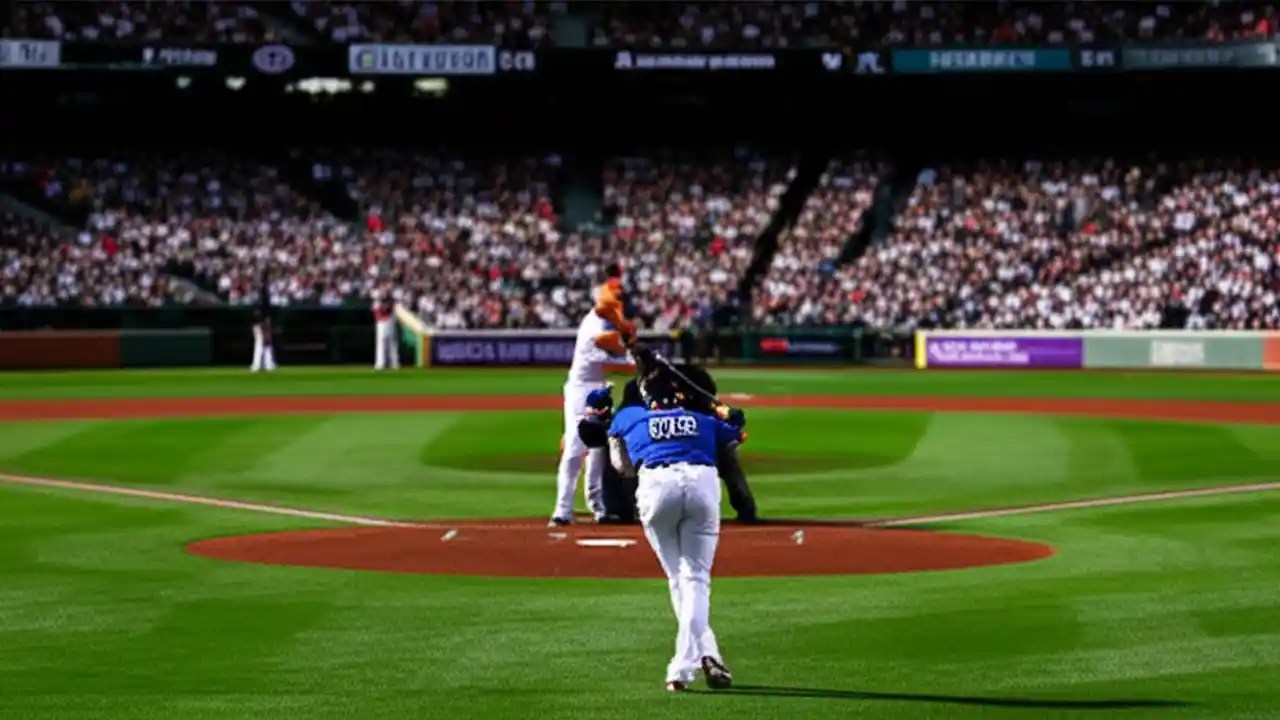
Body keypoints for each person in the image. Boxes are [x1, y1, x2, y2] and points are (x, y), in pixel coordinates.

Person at [605, 373, 743, 692]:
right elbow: (735, 436)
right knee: (694, 579)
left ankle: (689, 662)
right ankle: (697, 659)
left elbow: (622, 467)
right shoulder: (703, 419)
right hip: (701, 485)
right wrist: (733, 417)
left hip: (656, 486)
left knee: (677, 579)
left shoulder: (631, 418)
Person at [549, 264, 636, 526]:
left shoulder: (609, 321)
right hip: (580, 389)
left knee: (599, 449)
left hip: (597, 387)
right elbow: (615, 359)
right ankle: (562, 510)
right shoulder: (595, 324)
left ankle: (598, 507)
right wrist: (633, 354)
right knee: (576, 449)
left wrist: (630, 347)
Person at [373, 291, 399, 371]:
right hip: (382, 323)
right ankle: (382, 363)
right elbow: (378, 314)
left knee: (391, 343)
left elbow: (391, 310)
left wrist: (388, 305)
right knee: (383, 344)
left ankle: (393, 363)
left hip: (388, 323)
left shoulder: (390, 303)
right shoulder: (377, 304)